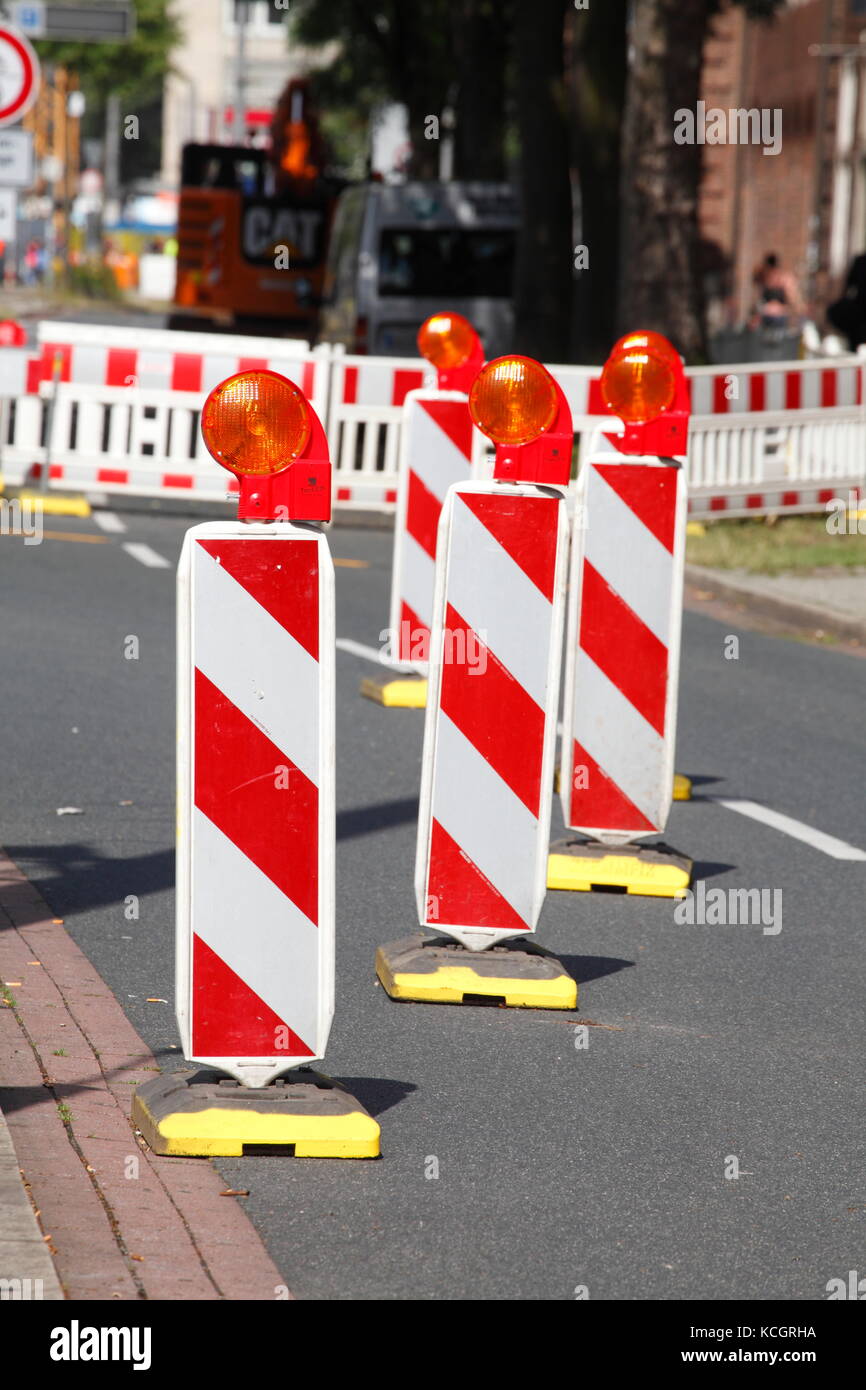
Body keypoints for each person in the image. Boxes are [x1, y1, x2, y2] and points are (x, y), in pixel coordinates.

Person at [750, 253, 802, 332]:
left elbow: (795, 306)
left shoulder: (786, 281)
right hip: (765, 321)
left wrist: (779, 309)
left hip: (781, 321)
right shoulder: (764, 280)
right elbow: (756, 304)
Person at [827, 253, 866, 350]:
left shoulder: (860, 261)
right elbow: (848, 288)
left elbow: (848, 288)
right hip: (860, 315)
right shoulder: (860, 261)